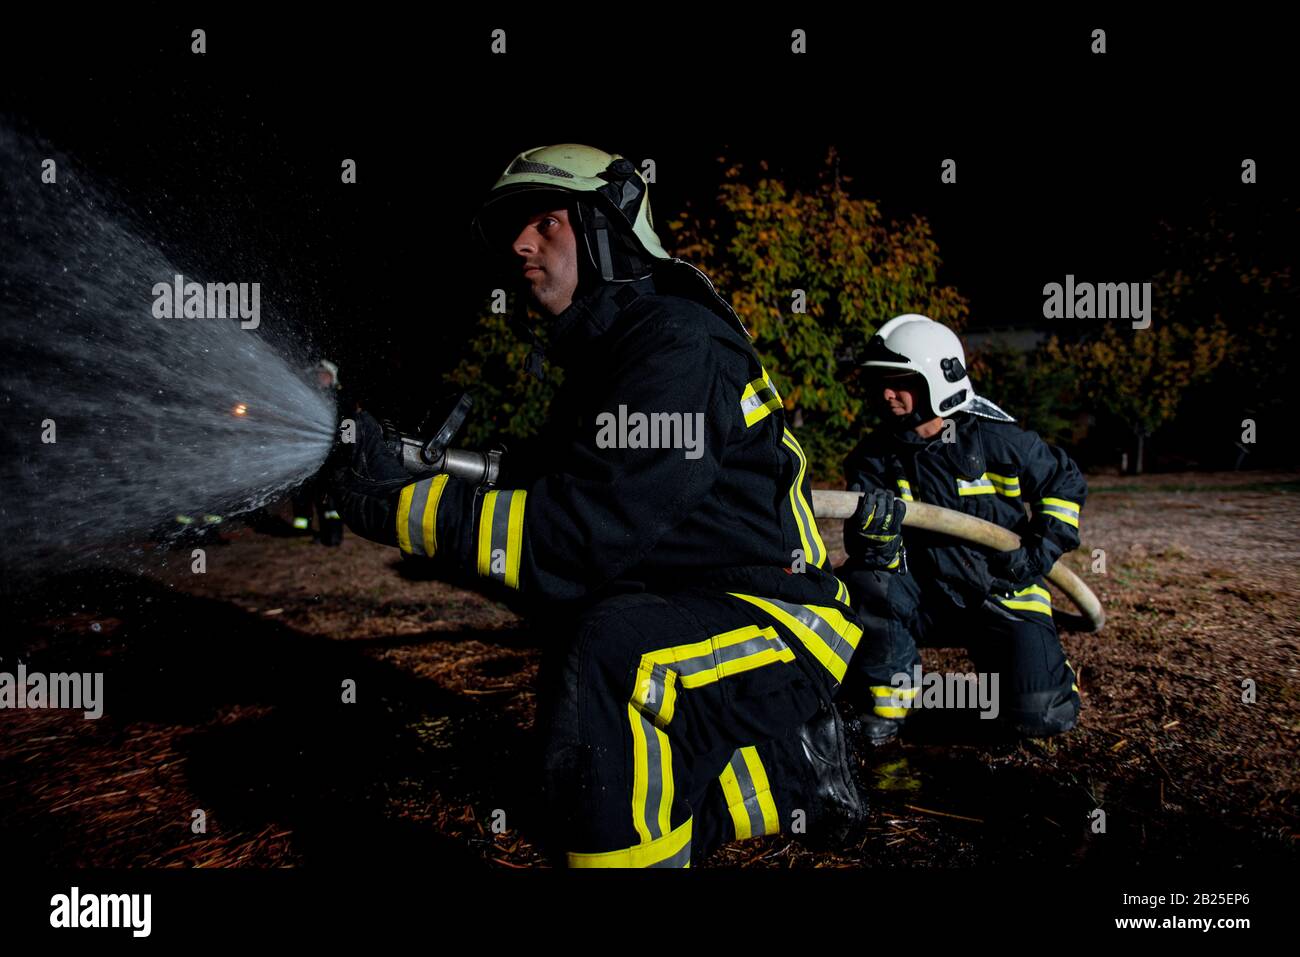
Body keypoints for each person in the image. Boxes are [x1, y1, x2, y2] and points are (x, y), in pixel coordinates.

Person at [331, 144, 870, 867]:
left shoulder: (677, 342)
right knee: (596, 765)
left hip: (780, 617)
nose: (520, 245)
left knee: (615, 658)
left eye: (545, 223)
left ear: (605, 229)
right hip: (697, 602)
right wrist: (390, 455)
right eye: (518, 232)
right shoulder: (614, 357)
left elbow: (576, 534)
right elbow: (534, 479)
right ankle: (792, 775)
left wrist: (396, 507)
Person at [836, 314, 1086, 744]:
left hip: (1002, 588)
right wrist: (876, 544)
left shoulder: (997, 440)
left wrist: (1036, 555)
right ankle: (887, 704)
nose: (887, 394)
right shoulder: (874, 457)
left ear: (939, 378)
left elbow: (1063, 484)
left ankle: (1032, 674)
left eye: (901, 382)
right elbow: (866, 552)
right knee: (865, 580)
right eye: (880, 384)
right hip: (926, 596)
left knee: (1042, 716)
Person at [290, 360, 346, 545]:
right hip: (315, 458)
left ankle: (333, 537)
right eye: (319, 374)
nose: (320, 377)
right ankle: (322, 535)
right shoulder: (314, 396)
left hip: (330, 459)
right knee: (313, 498)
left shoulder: (336, 398)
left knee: (328, 503)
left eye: (325, 374)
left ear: (332, 377)